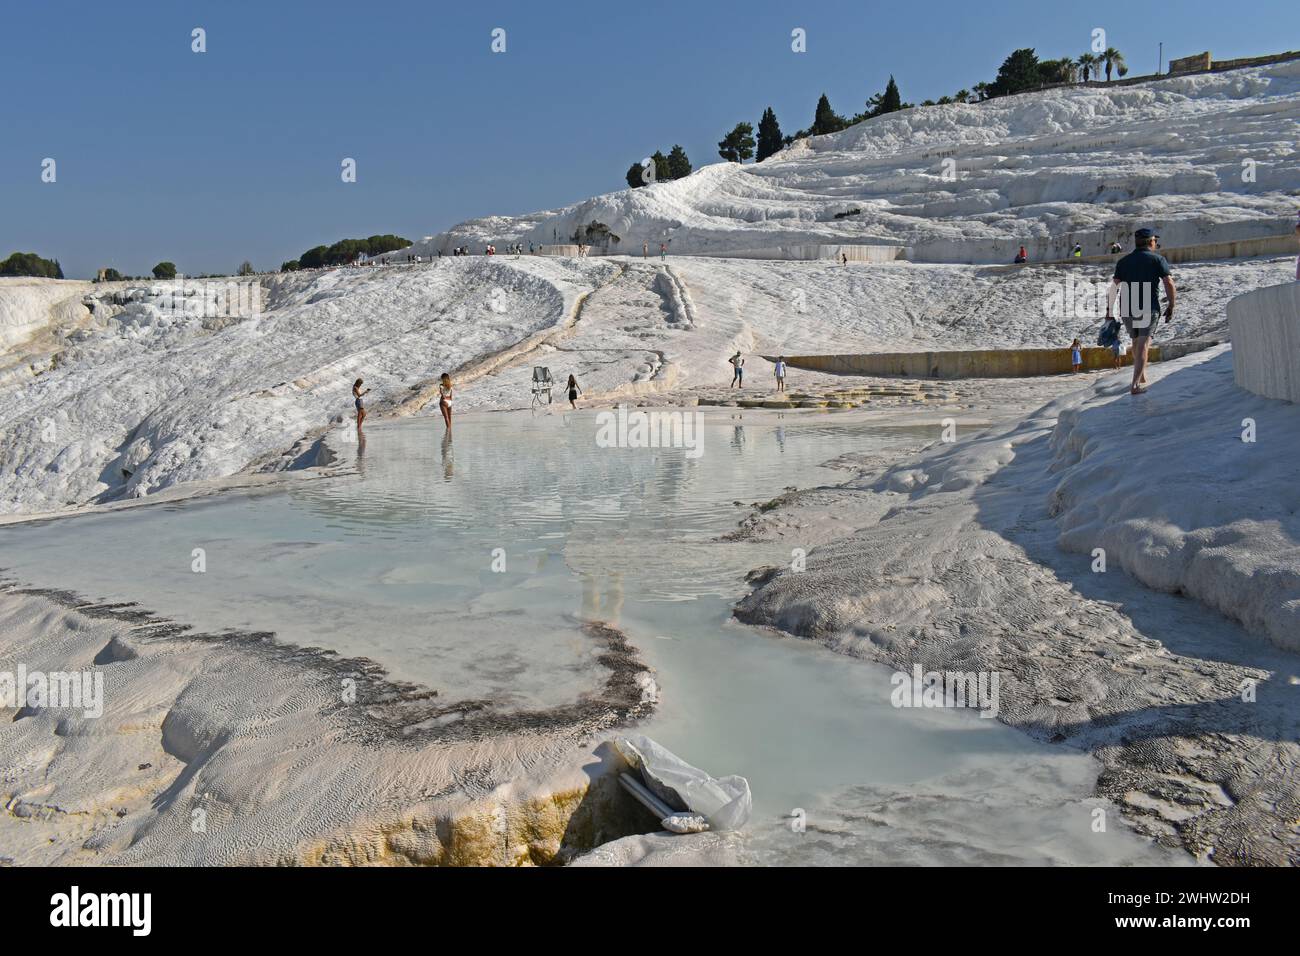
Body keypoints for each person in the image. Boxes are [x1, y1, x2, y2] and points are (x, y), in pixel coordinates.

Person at [1107, 228, 1175, 395]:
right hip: (1147, 306)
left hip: (1127, 308)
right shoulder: (1157, 259)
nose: (1156, 243)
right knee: (1144, 343)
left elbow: (1114, 287)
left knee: (1136, 341)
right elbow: (1168, 282)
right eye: (1155, 241)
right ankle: (1135, 385)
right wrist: (1171, 305)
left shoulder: (1123, 262)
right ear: (1150, 241)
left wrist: (1109, 310)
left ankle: (1142, 376)